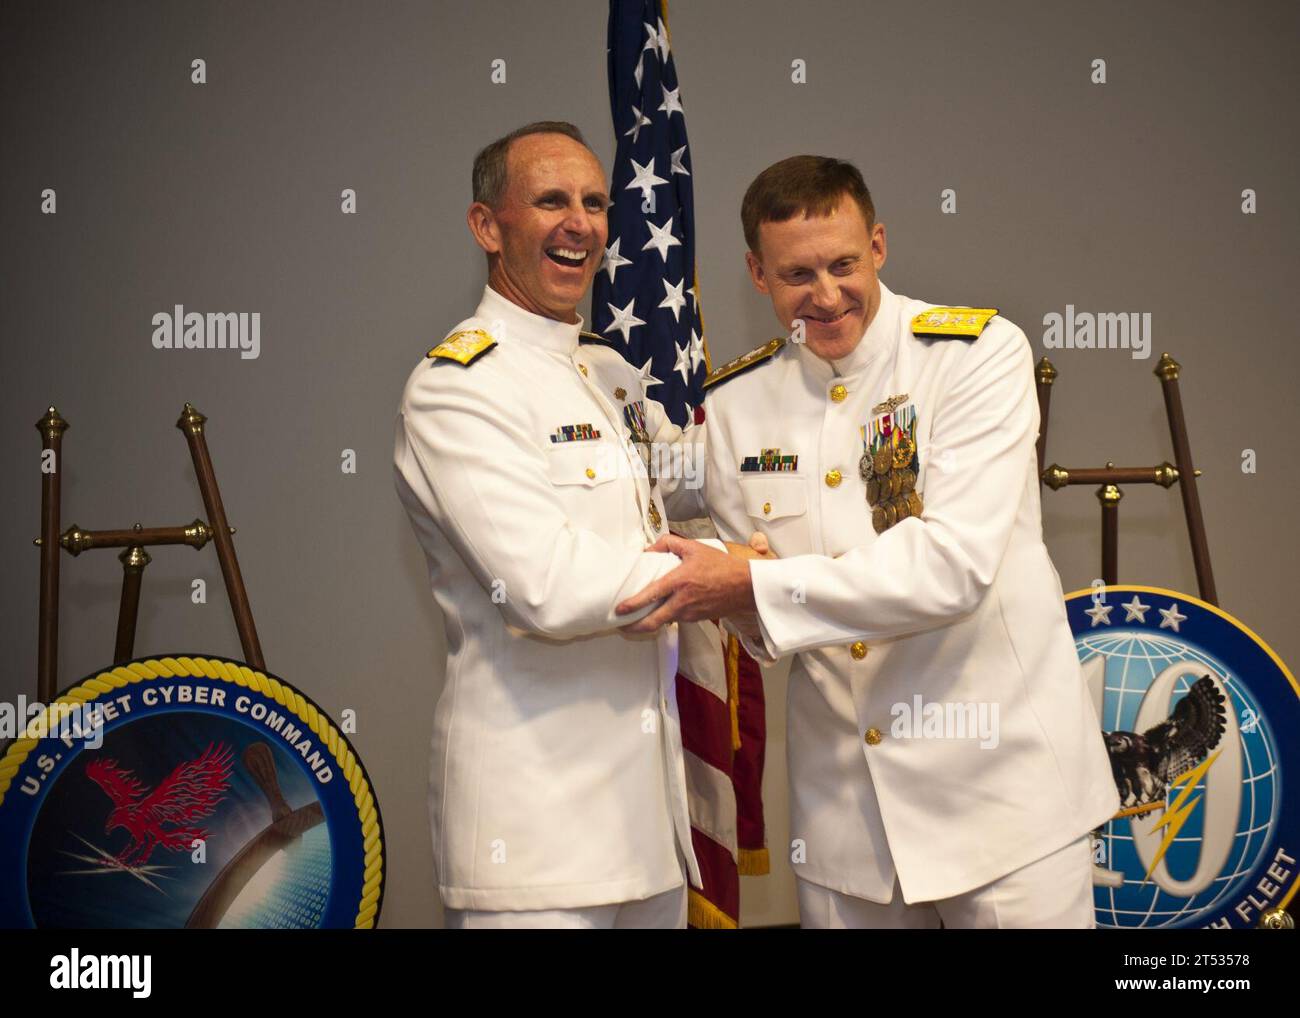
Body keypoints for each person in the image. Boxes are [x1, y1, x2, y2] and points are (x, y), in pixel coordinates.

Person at [618, 155, 1120, 928]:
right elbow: (758, 627)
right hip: (846, 818)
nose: (825, 294)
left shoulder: (974, 357)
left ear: (878, 245)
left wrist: (755, 586)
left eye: (844, 264)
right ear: (757, 273)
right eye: (796, 274)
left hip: (1001, 796)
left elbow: (951, 568)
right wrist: (743, 598)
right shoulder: (739, 404)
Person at [393, 121, 739, 928]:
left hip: (646, 831)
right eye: (550, 201)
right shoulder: (459, 387)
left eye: (593, 202)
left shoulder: (606, 371)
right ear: (489, 226)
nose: (579, 223)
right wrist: (728, 572)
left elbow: (694, 480)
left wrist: (816, 430)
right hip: (535, 841)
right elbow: (545, 588)